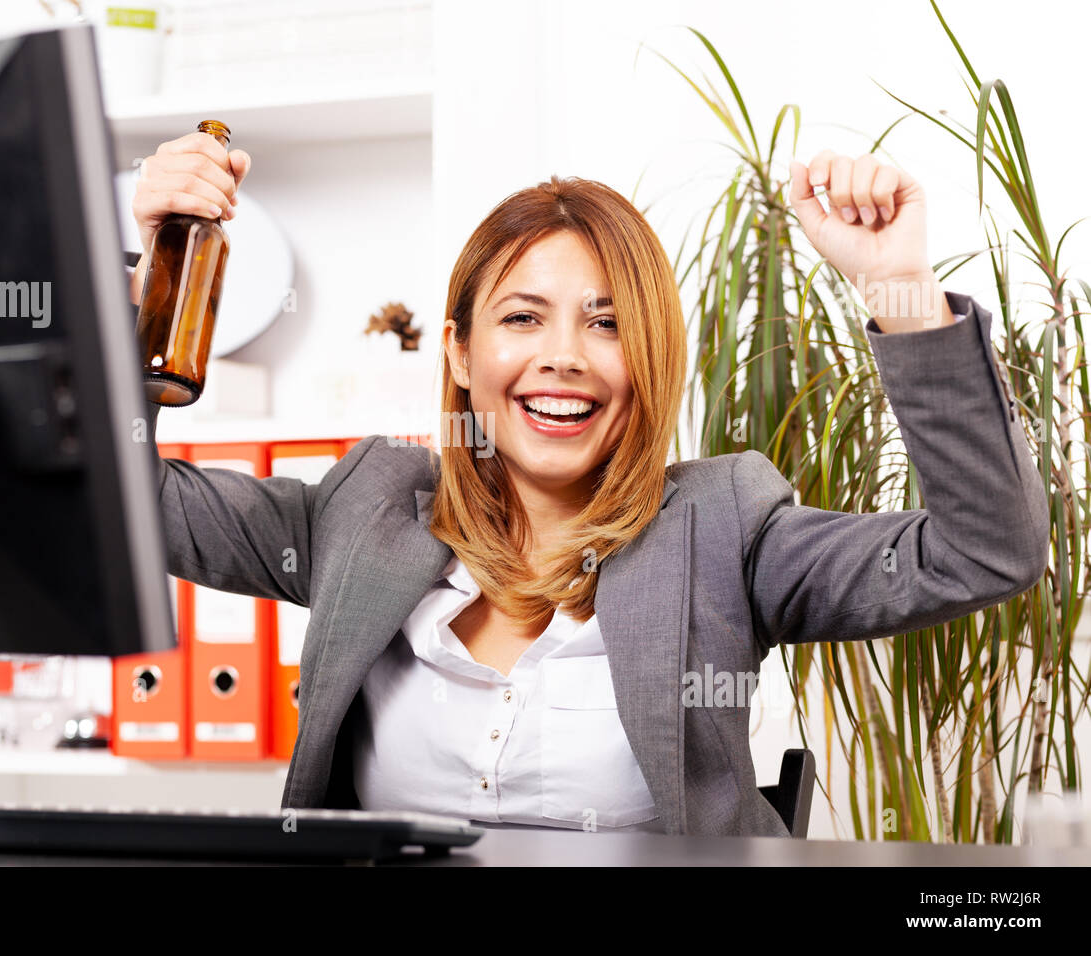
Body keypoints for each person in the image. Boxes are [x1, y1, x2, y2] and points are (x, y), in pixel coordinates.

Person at [129, 134, 1047, 836]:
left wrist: (900, 288)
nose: (562, 358)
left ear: (649, 359)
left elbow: (984, 552)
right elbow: (122, 498)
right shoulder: (364, 509)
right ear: (458, 351)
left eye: (606, 325)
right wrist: (154, 277)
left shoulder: (724, 528)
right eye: (522, 317)